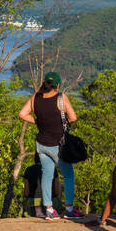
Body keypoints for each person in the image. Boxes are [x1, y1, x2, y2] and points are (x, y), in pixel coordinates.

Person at [18, 72, 83, 220]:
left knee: (47, 175)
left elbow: (22, 114)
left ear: (45, 83)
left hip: (41, 144)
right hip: (58, 145)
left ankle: (49, 210)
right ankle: (69, 210)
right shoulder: (61, 98)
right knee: (68, 175)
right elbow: (73, 117)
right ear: (58, 85)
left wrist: (37, 122)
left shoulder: (35, 98)